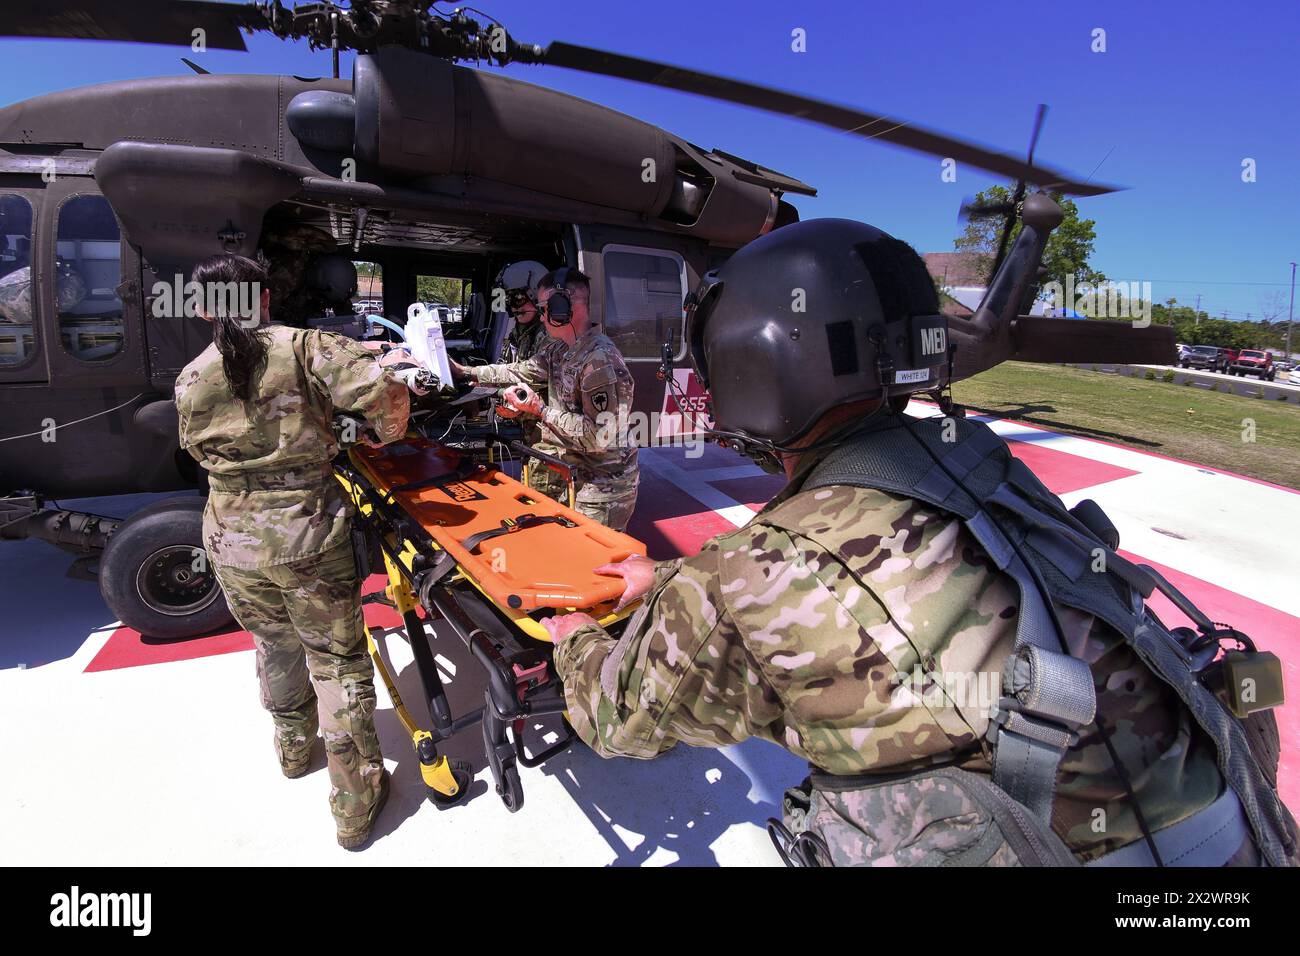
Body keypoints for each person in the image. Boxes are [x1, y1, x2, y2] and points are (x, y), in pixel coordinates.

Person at [541, 218, 1297, 867]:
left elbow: (616, 717)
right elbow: (864, 575)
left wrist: (576, 638)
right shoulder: (983, 465)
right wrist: (672, 579)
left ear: (754, 365)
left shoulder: (752, 576)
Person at [175, 252, 415, 850]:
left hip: (230, 538)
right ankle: (356, 806)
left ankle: (292, 752)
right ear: (261, 299)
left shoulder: (190, 377)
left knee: (274, 644)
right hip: (308, 534)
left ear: (205, 308)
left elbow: (194, 452)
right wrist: (387, 426)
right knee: (336, 662)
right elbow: (386, 403)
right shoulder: (307, 348)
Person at [452, 267, 639, 531]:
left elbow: (600, 436)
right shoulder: (559, 349)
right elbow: (518, 370)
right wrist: (466, 372)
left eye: (543, 308)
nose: (540, 316)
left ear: (562, 307)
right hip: (574, 474)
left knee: (591, 565)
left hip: (602, 488)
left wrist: (539, 410)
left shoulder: (600, 361)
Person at [494, 259, 567, 501]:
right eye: (509, 301)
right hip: (529, 429)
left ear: (535, 297)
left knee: (543, 497)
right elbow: (508, 371)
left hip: (546, 433)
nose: (514, 308)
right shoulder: (518, 334)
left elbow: (532, 377)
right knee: (532, 488)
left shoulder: (548, 336)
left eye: (518, 299)